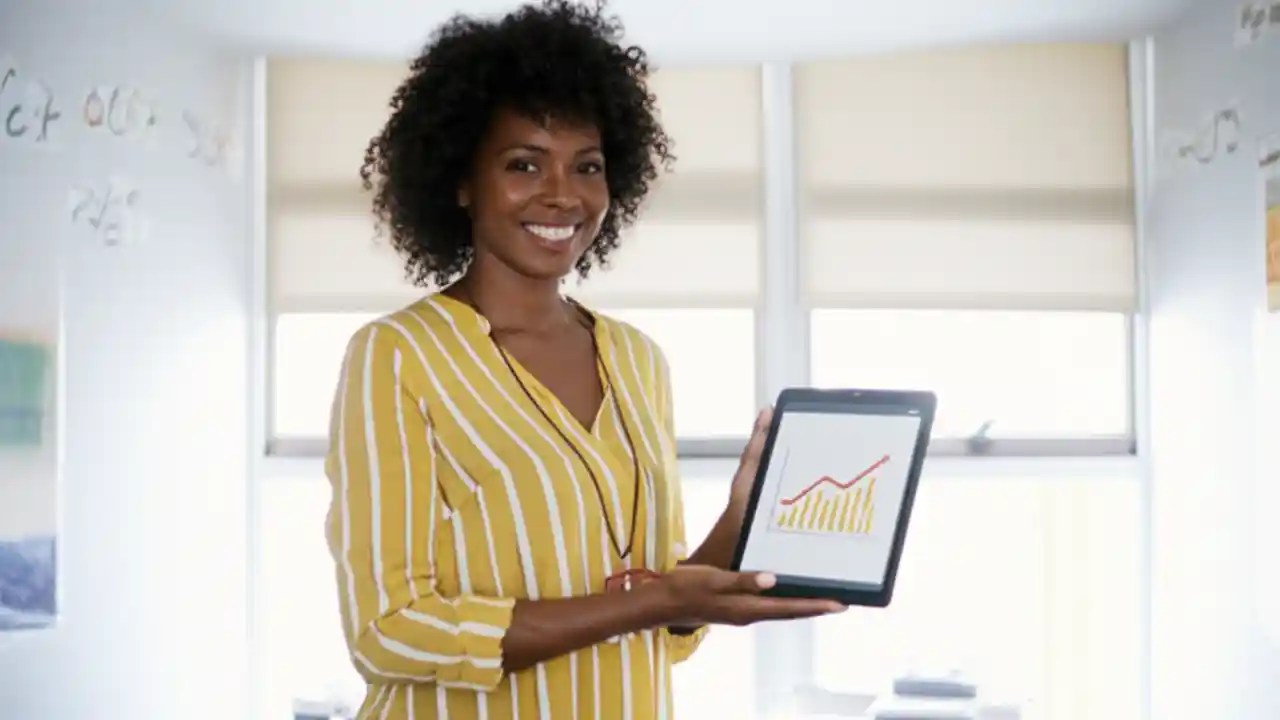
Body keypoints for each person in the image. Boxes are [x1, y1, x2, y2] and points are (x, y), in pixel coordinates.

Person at [324, 2, 846, 717]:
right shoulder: (398, 356)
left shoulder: (637, 360)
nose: (562, 194)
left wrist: (739, 522)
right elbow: (388, 631)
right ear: (461, 180)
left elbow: (664, 609)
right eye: (523, 163)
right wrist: (651, 602)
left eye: (587, 166)